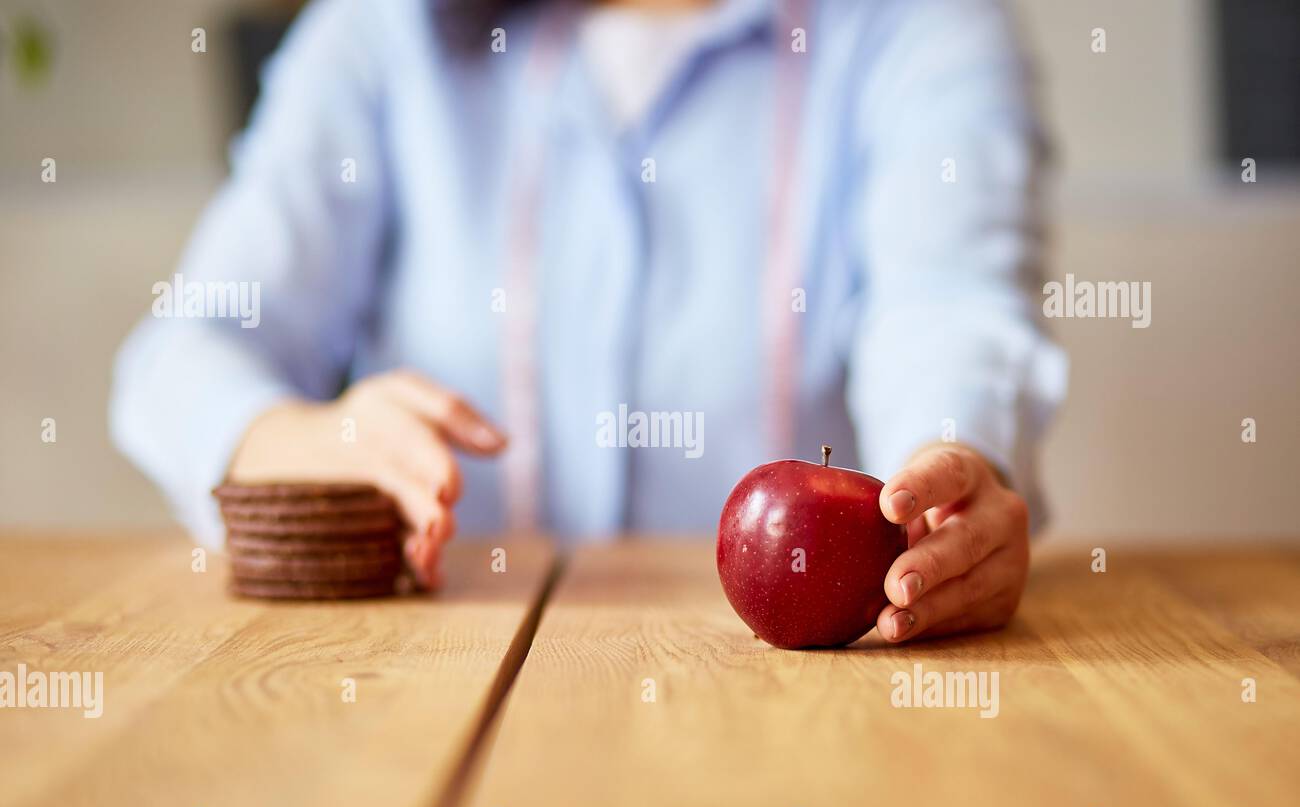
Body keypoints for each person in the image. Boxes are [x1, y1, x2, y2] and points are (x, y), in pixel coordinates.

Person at [110, 0, 1067, 643]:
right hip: (420, 689)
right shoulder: (379, 31)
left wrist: (952, 465)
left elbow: (945, 306)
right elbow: (186, 351)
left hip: (800, 716)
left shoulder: (919, 26)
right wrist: (293, 435)